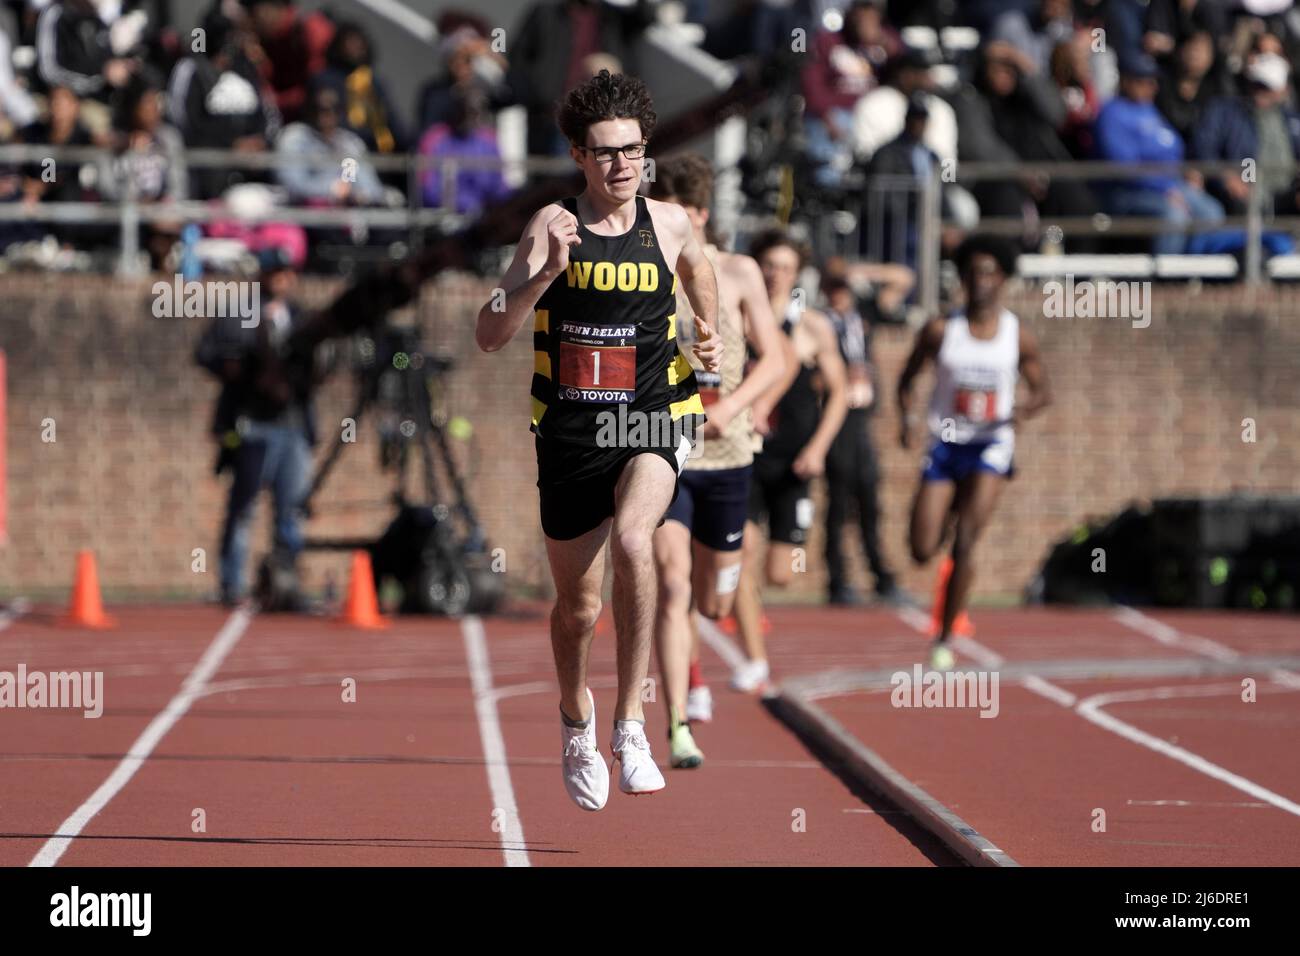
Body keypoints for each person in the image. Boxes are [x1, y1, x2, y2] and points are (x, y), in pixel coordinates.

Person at [474, 70, 723, 811]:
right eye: (607, 153)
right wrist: (544, 274)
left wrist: (707, 341)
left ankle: (632, 722)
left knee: (637, 542)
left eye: (634, 152)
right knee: (577, 610)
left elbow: (699, 271)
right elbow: (490, 333)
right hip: (570, 432)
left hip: (650, 417)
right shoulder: (552, 225)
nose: (622, 167)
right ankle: (576, 717)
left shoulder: (671, 222)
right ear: (580, 156)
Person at [647, 153, 787, 767]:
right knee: (671, 584)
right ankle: (678, 725)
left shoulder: (737, 273)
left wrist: (736, 408)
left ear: (700, 213)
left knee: (715, 603)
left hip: (727, 456)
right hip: (663, 452)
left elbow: (778, 360)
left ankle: (697, 658)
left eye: (676, 212)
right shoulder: (646, 271)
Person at [896, 237, 1051, 671]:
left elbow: (1043, 391)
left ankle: (945, 636)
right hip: (946, 443)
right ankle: (943, 515)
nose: (980, 282)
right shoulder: (942, 330)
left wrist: (1023, 409)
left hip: (991, 445)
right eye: (972, 273)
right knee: (923, 549)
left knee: (966, 542)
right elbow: (906, 379)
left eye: (989, 273)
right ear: (962, 279)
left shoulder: (1017, 336)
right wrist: (906, 420)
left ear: (1002, 279)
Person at [730, 229, 847, 692]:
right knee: (741, 553)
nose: (775, 274)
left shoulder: (811, 326)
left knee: (780, 573)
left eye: (784, 266)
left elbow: (839, 394)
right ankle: (754, 657)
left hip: (794, 462)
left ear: (797, 274)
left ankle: (745, 603)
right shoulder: (738, 321)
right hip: (745, 455)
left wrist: (818, 448)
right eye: (767, 264)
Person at [194, 247, 330, 608]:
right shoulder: (239, 314)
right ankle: (232, 583)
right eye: (277, 271)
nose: (284, 278)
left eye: (289, 272)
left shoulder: (300, 317)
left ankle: (286, 582)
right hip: (252, 424)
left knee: (291, 510)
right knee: (244, 508)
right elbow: (205, 354)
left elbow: (324, 364)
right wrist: (240, 366)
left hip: (294, 426)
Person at [820, 265, 911, 606]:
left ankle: (880, 575)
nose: (841, 291)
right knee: (839, 502)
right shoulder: (820, 322)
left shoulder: (863, 315)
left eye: (845, 285)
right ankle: (837, 580)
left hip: (861, 420)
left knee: (870, 499)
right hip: (835, 418)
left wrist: (861, 272)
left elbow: (904, 279)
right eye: (834, 284)